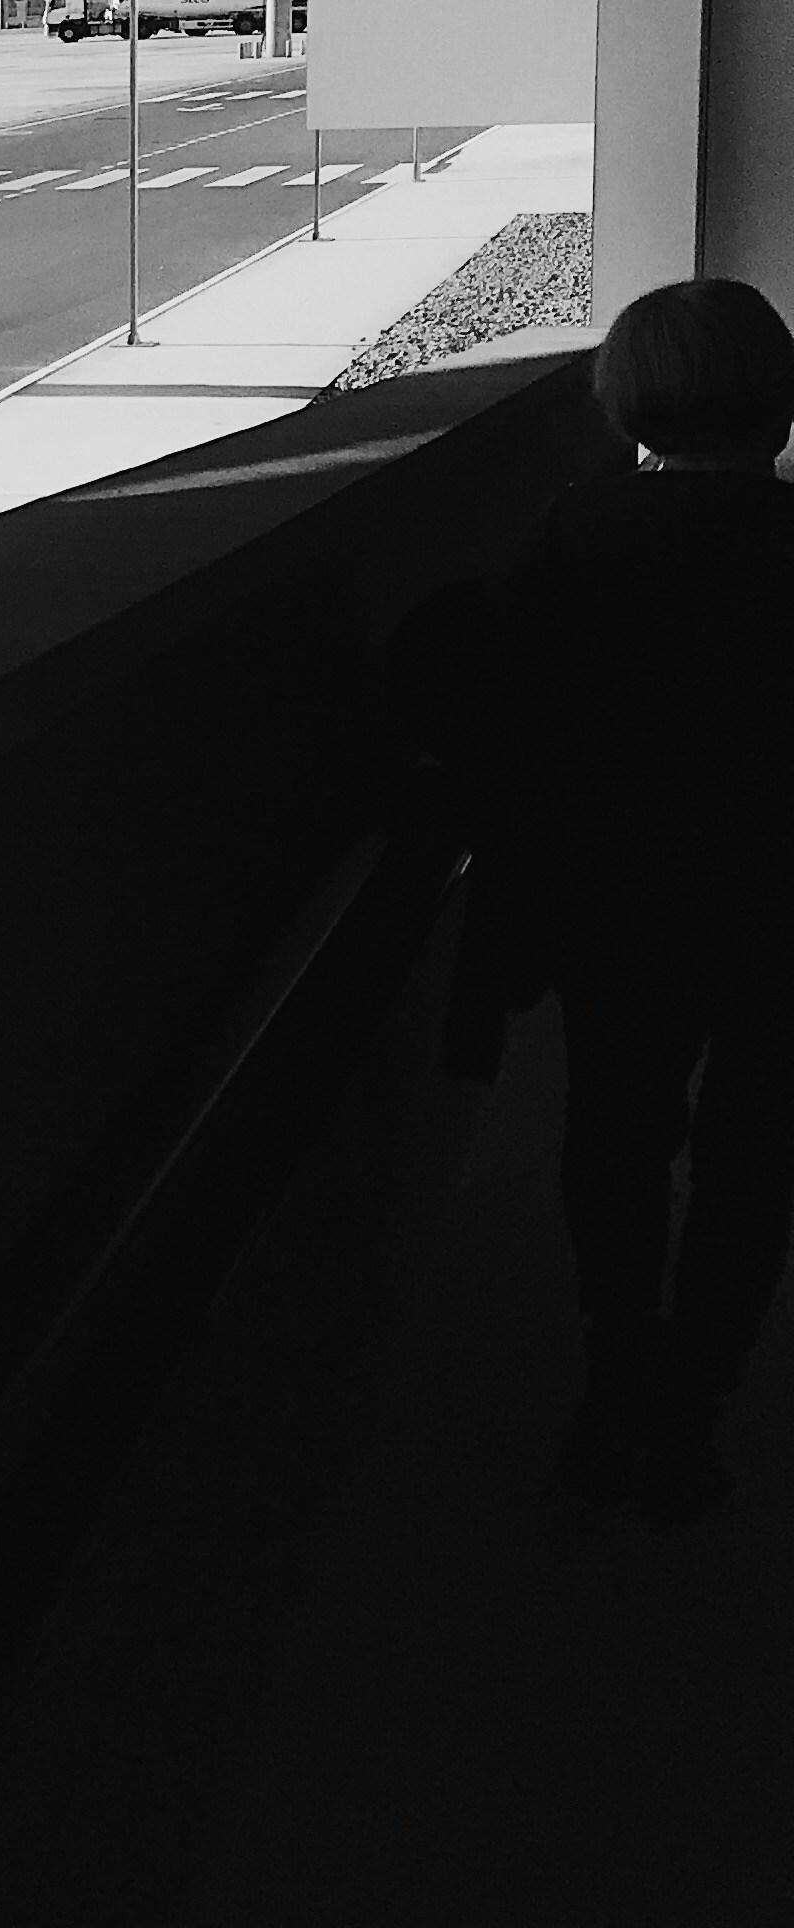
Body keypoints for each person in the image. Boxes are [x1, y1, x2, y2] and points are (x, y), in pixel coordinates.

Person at [431, 277, 794, 1520]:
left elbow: (506, 723)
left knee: (618, 1135)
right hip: (777, 908)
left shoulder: (580, 535)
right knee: (756, 1165)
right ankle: (695, 1405)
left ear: (631, 400)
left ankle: (615, 1373)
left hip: (621, 901)